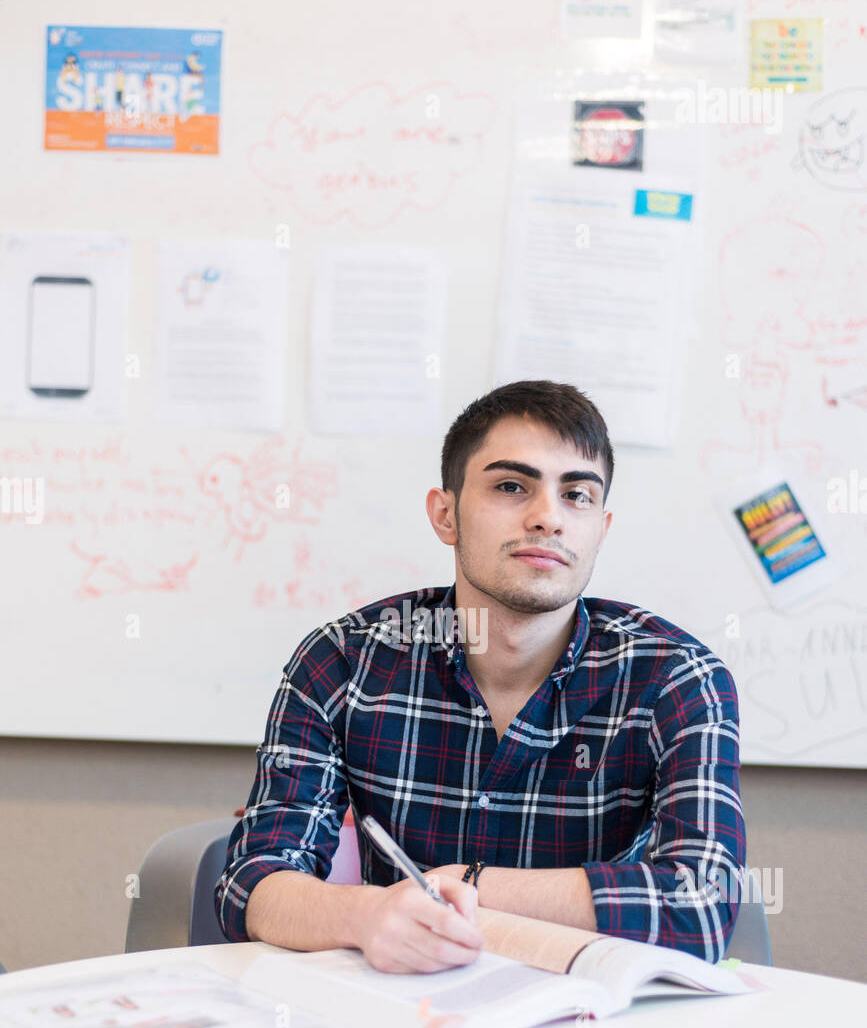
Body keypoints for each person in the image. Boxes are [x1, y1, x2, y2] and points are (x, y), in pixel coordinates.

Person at [216, 380, 745, 972]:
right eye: (511, 486)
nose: (548, 518)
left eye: (577, 496)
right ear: (446, 515)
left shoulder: (677, 677)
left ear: (601, 527)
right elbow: (252, 884)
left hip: (593, 1021)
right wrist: (365, 915)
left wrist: (465, 884)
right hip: (401, 1010)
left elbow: (703, 904)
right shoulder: (343, 661)